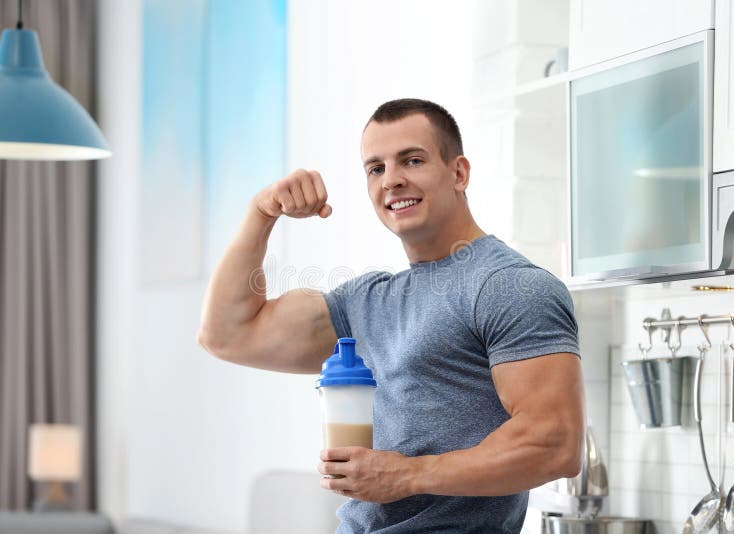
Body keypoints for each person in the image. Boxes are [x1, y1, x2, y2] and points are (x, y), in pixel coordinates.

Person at [197, 98, 585, 533]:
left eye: (412, 160)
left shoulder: (510, 286)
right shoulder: (367, 301)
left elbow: (554, 444)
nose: (392, 180)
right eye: (376, 168)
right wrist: (262, 213)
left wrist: (406, 476)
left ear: (459, 173)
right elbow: (226, 334)